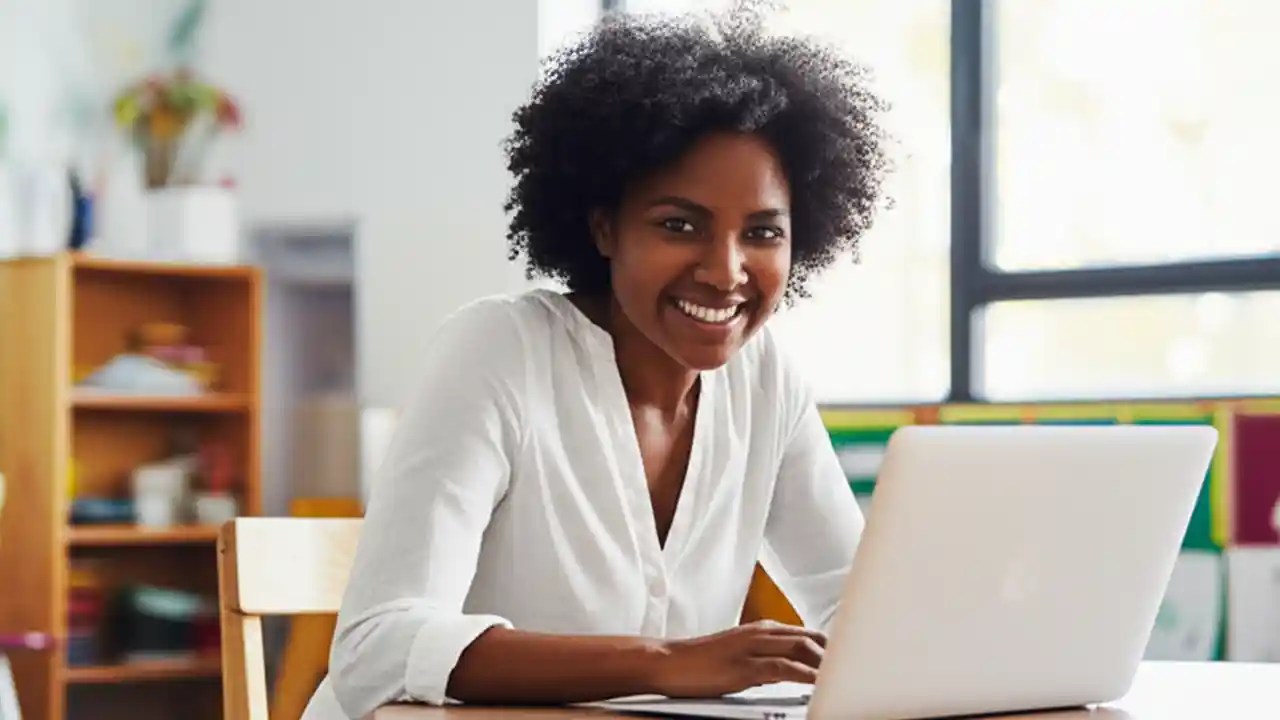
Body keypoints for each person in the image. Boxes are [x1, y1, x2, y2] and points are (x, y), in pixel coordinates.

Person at [302, 6, 889, 719]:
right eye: (680, 225)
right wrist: (668, 663)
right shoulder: (498, 354)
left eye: (763, 232)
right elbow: (378, 647)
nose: (726, 271)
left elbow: (863, 607)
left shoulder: (767, 382)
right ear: (603, 226)